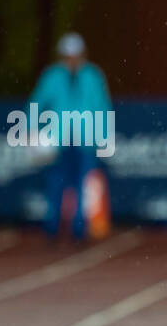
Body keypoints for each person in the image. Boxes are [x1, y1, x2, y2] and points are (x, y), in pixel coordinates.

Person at [30, 32, 112, 242]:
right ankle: (52, 228)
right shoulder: (52, 76)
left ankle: (79, 228)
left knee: (83, 185)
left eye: (75, 56)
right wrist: (32, 130)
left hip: (85, 140)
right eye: (68, 56)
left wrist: (104, 137)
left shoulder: (93, 76)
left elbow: (102, 107)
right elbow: (37, 103)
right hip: (58, 140)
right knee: (55, 184)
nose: (72, 60)